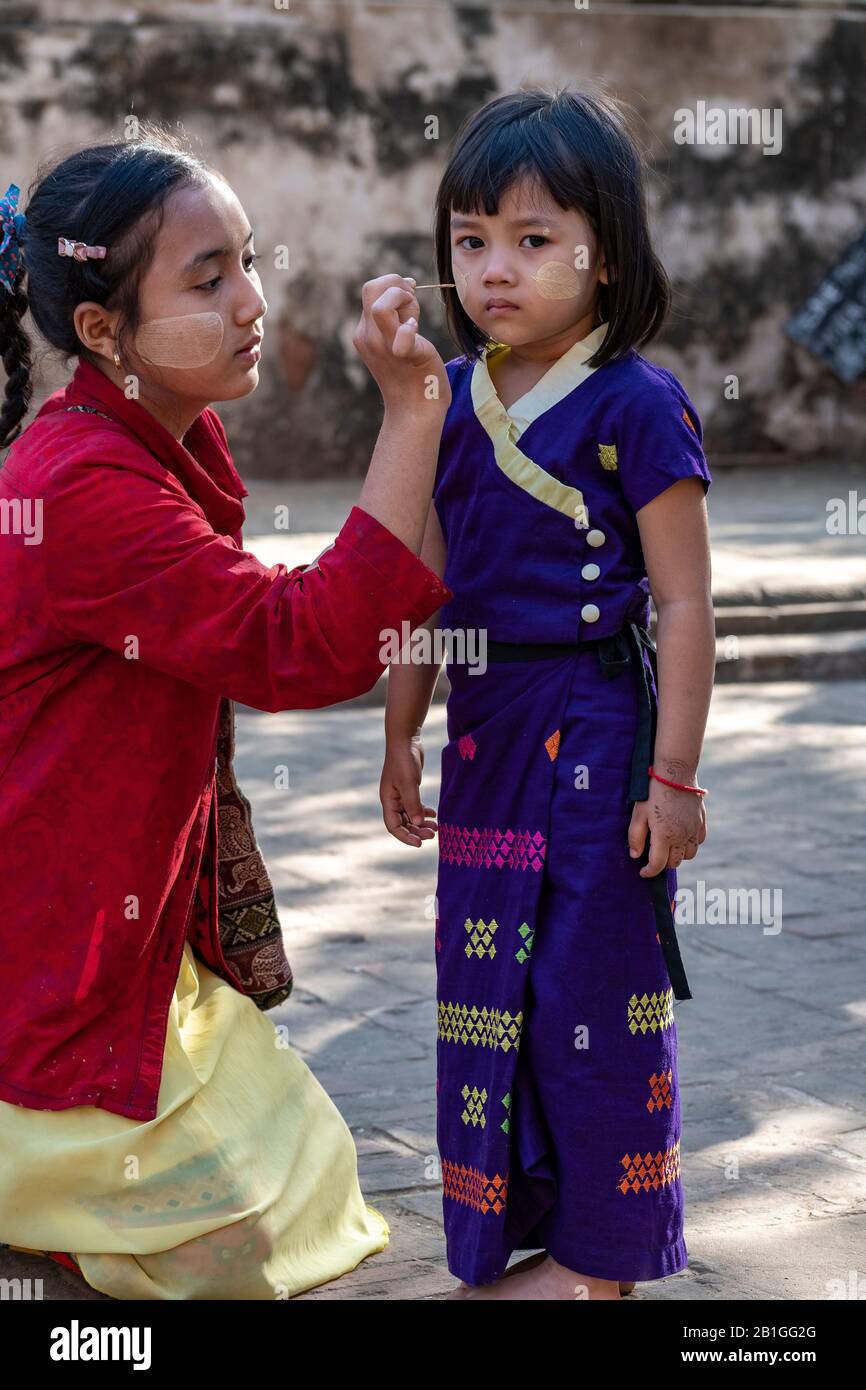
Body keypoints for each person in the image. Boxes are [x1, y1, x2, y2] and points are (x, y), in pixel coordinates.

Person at [0, 124, 453, 1299]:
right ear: (103, 332)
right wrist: (410, 418)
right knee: (241, 1243)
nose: (252, 300)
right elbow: (295, 645)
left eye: (247, 259)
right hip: (41, 940)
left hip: (105, 910)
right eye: (207, 278)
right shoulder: (78, 487)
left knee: (306, 1178)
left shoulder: (156, 437)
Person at [379, 88, 715, 1300]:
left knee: (589, 992)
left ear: (605, 251)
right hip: (483, 743)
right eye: (470, 240)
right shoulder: (444, 403)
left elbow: (681, 605)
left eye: (532, 240)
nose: (493, 270)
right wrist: (398, 733)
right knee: (484, 990)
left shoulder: (637, 401)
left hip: (598, 740)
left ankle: (597, 1264)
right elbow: (417, 580)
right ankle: (507, 1242)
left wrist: (673, 781)